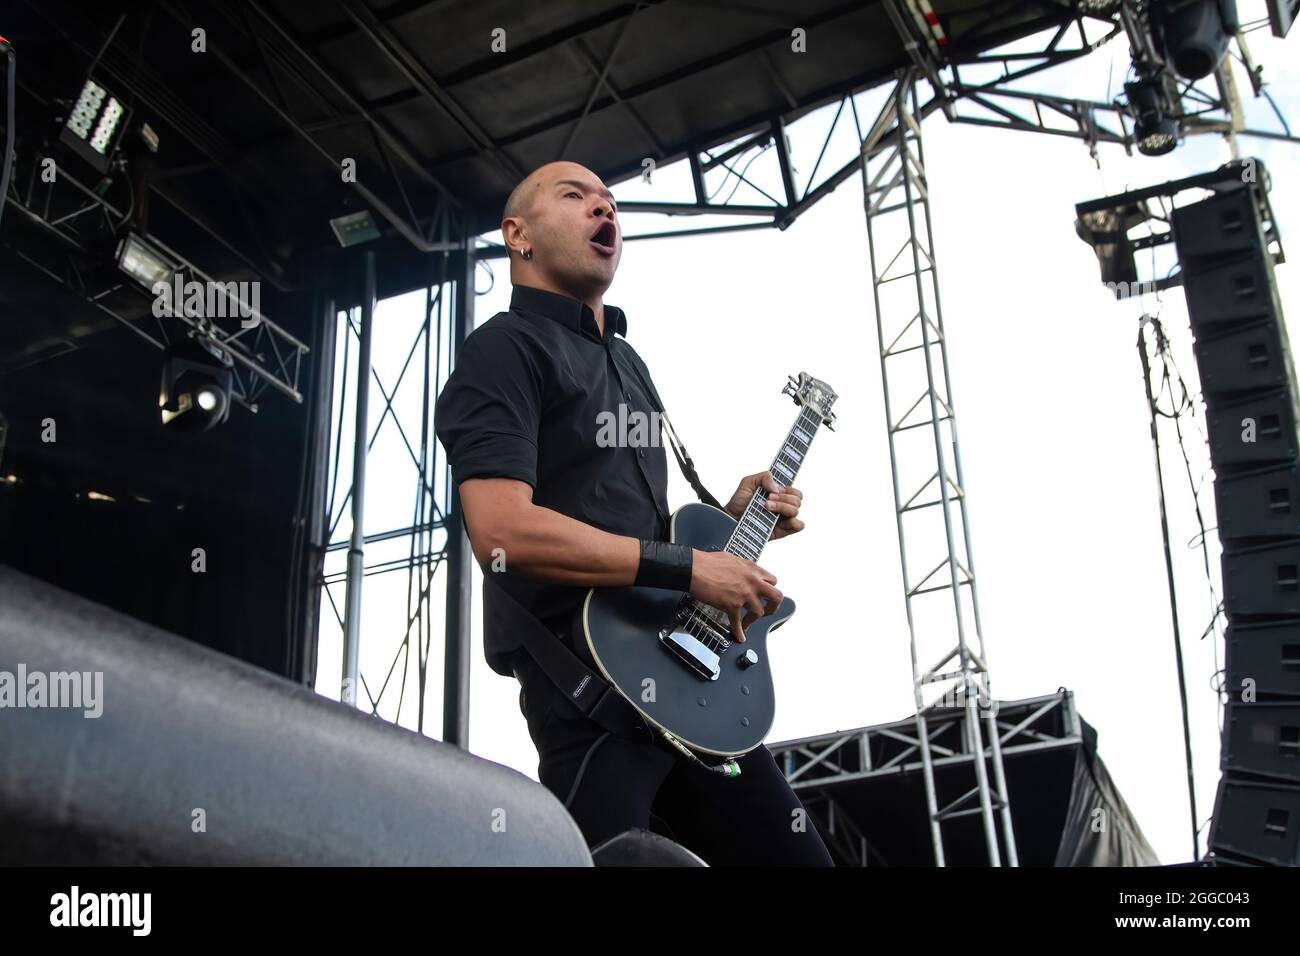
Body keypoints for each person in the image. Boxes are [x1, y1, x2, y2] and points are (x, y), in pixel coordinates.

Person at [434, 161, 833, 866]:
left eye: (611, 202)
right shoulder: (502, 349)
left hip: (686, 683)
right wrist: (691, 568)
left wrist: (729, 514)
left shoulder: (629, 363)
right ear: (517, 236)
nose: (603, 209)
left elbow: (641, 524)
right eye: (575, 196)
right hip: (590, 693)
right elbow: (501, 532)